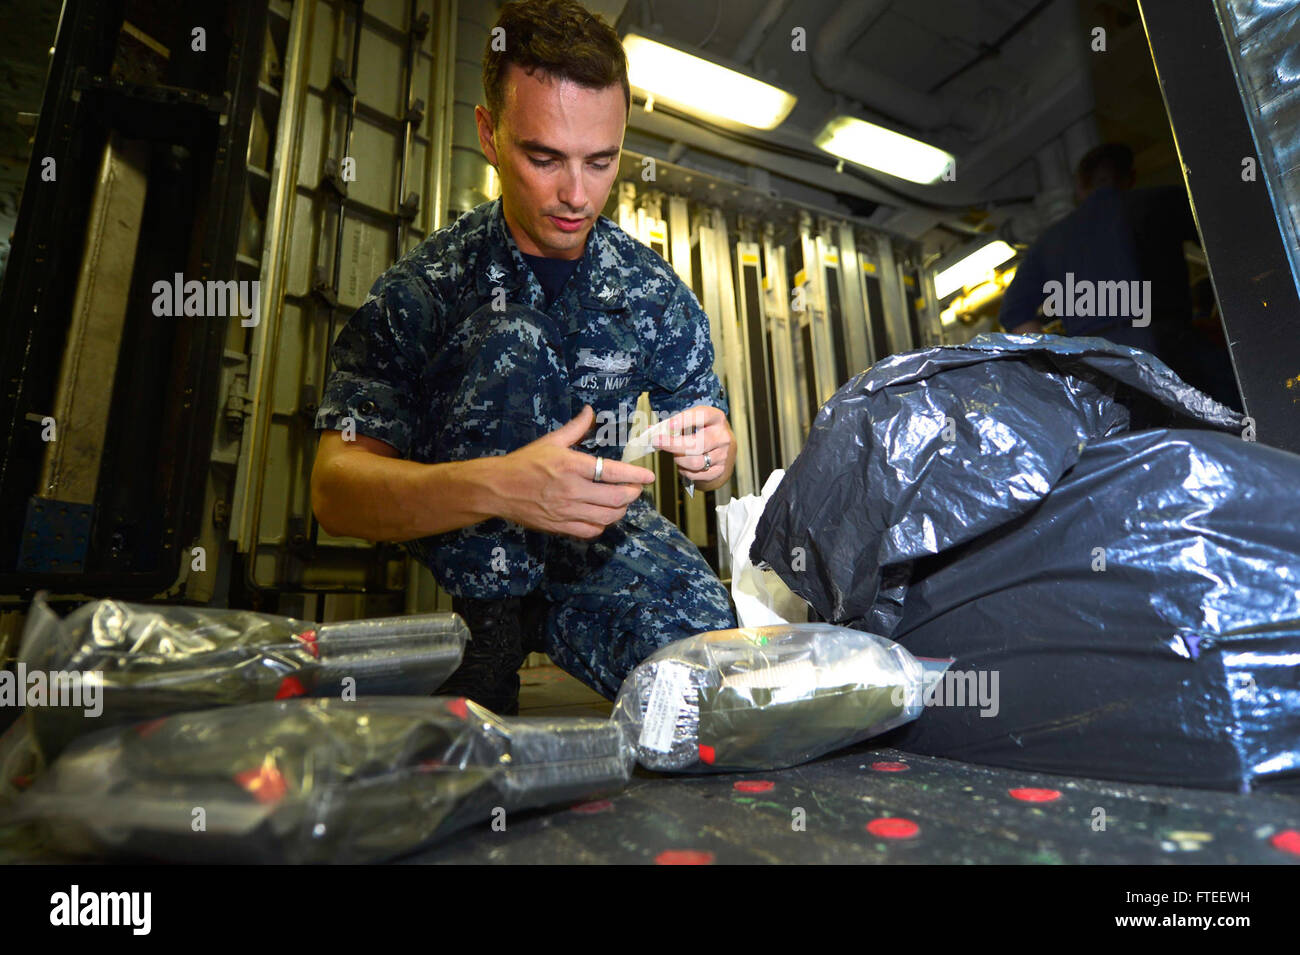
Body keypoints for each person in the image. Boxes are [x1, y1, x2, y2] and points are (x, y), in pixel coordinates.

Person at [310, 0, 739, 715]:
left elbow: (702, 417)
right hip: (472, 534)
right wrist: (502, 487)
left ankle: (559, 617)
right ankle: (491, 633)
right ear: (489, 134)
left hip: (591, 536)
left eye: (601, 162)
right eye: (544, 158)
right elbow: (334, 489)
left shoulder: (648, 287)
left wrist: (710, 447)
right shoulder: (428, 289)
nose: (576, 194)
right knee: (512, 338)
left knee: (709, 654)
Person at [999, 143, 1240, 409]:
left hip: (1097, 368)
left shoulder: (1049, 241)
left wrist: (1065, 364)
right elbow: (1230, 247)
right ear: (1130, 178)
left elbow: (1015, 313)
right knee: (1234, 423)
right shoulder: (1163, 201)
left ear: (1080, 186)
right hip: (1171, 349)